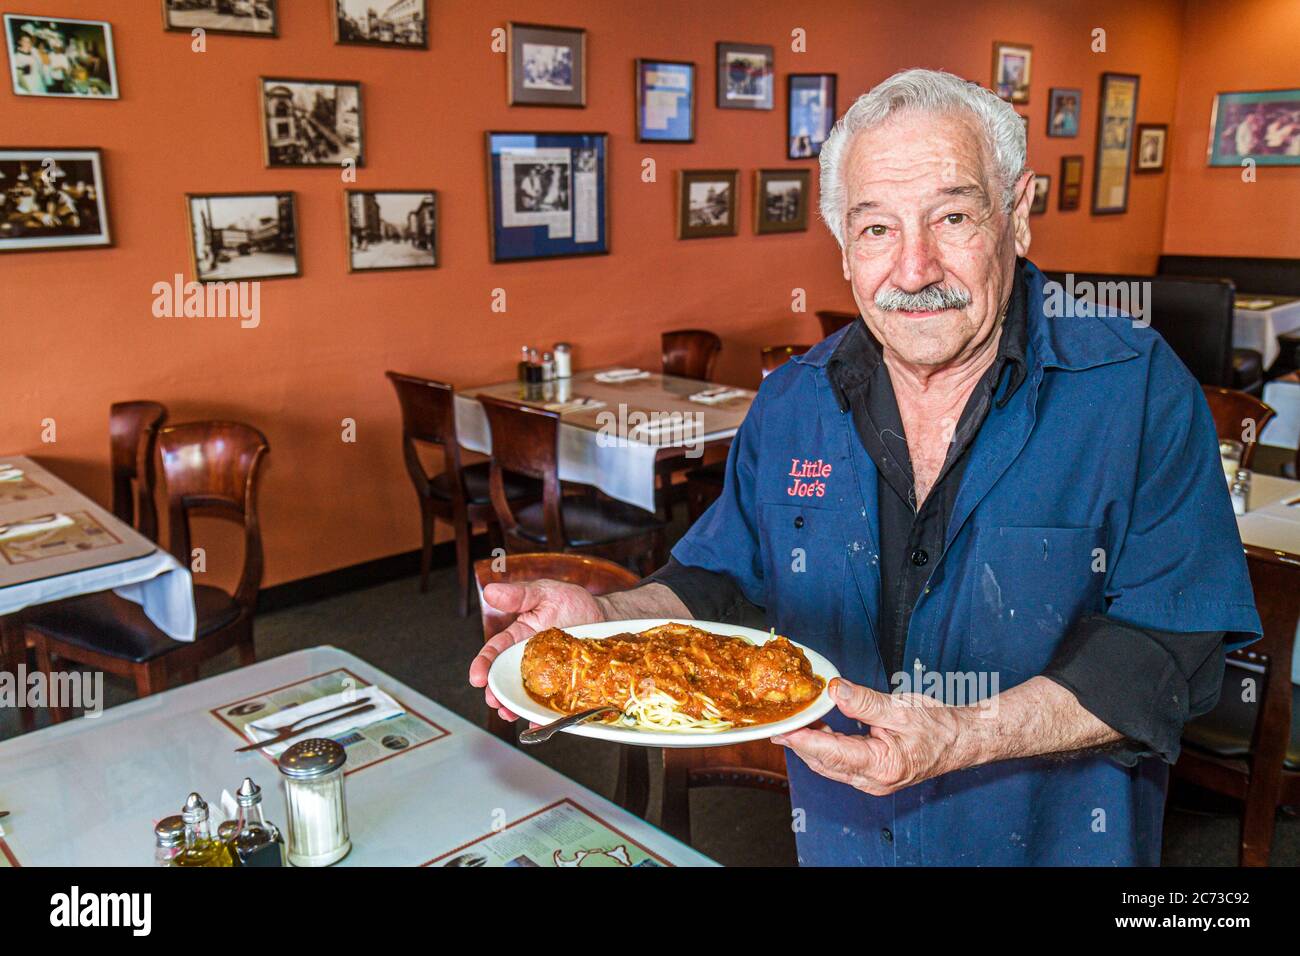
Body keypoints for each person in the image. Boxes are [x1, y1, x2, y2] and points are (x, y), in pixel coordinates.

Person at [469, 68, 1260, 866]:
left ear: (1017, 215)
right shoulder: (791, 405)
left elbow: (1171, 641)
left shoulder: (1136, 390)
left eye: (952, 216)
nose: (913, 270)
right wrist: (610, 622)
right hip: (844, 838)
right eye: (876, 228)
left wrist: (965, 735)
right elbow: (722, 579)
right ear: (843, 244)